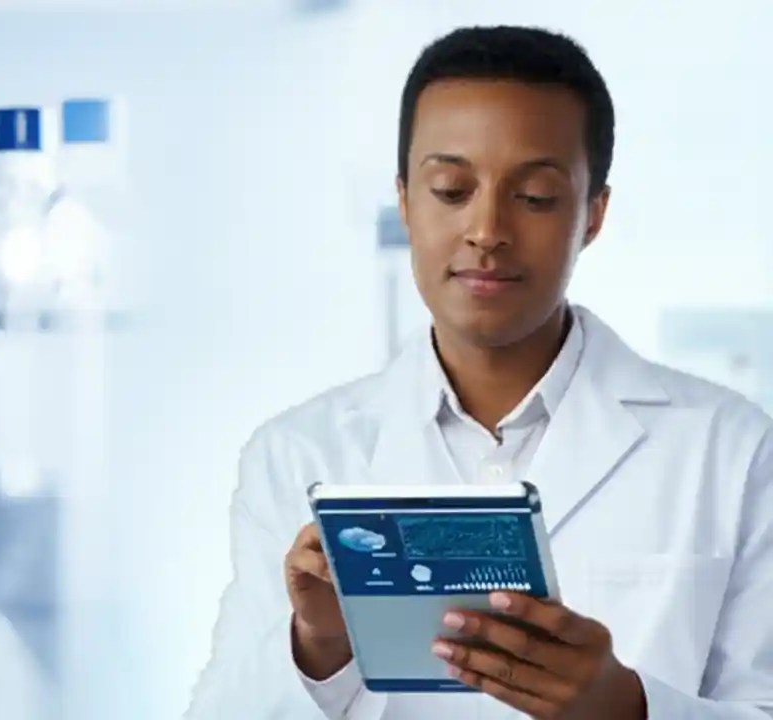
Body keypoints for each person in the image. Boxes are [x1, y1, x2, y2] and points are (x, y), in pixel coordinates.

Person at [185, 25, 773, 720]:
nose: (487, 229)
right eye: (451, 188)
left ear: (593, 214)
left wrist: (629, 707)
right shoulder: (298, 455)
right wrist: (317, 647)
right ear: (405, 200)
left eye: (535, 197)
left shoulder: (730, 450)